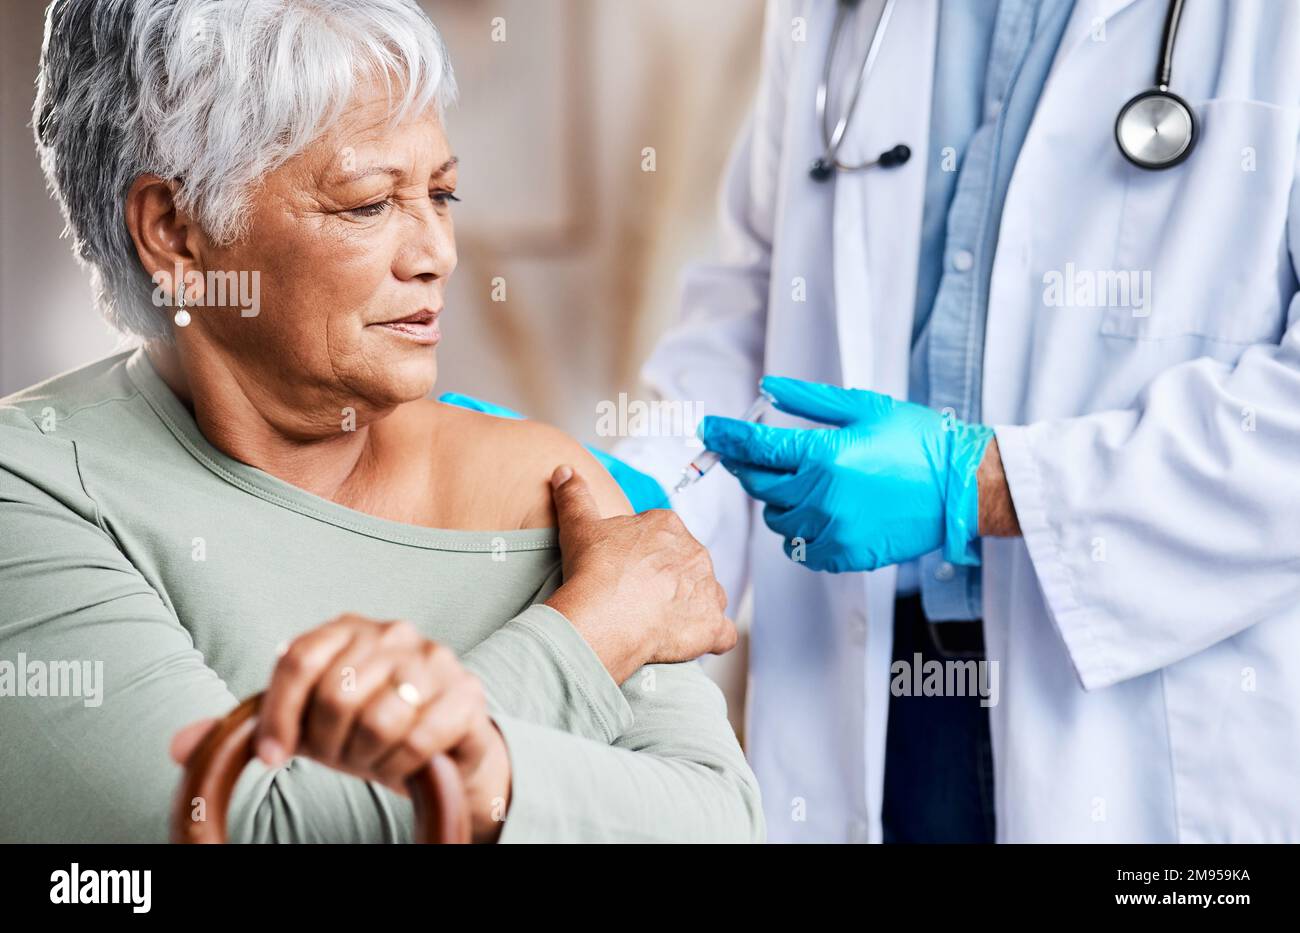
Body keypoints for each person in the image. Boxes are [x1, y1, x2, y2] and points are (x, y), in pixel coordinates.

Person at [0, 0, 761, 843]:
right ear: (175, 232)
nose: (437, 252)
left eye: (441, 192)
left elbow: (716, 820)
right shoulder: (31, 486)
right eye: (367, 204)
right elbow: (236, 828)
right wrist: (581, 641)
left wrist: (479, 758)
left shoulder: (545, 483)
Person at [615, 0, 1300, 842]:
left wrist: (979, 484)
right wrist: (635, 503)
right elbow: (762, 293)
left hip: (1151, 703)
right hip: (864, 690)